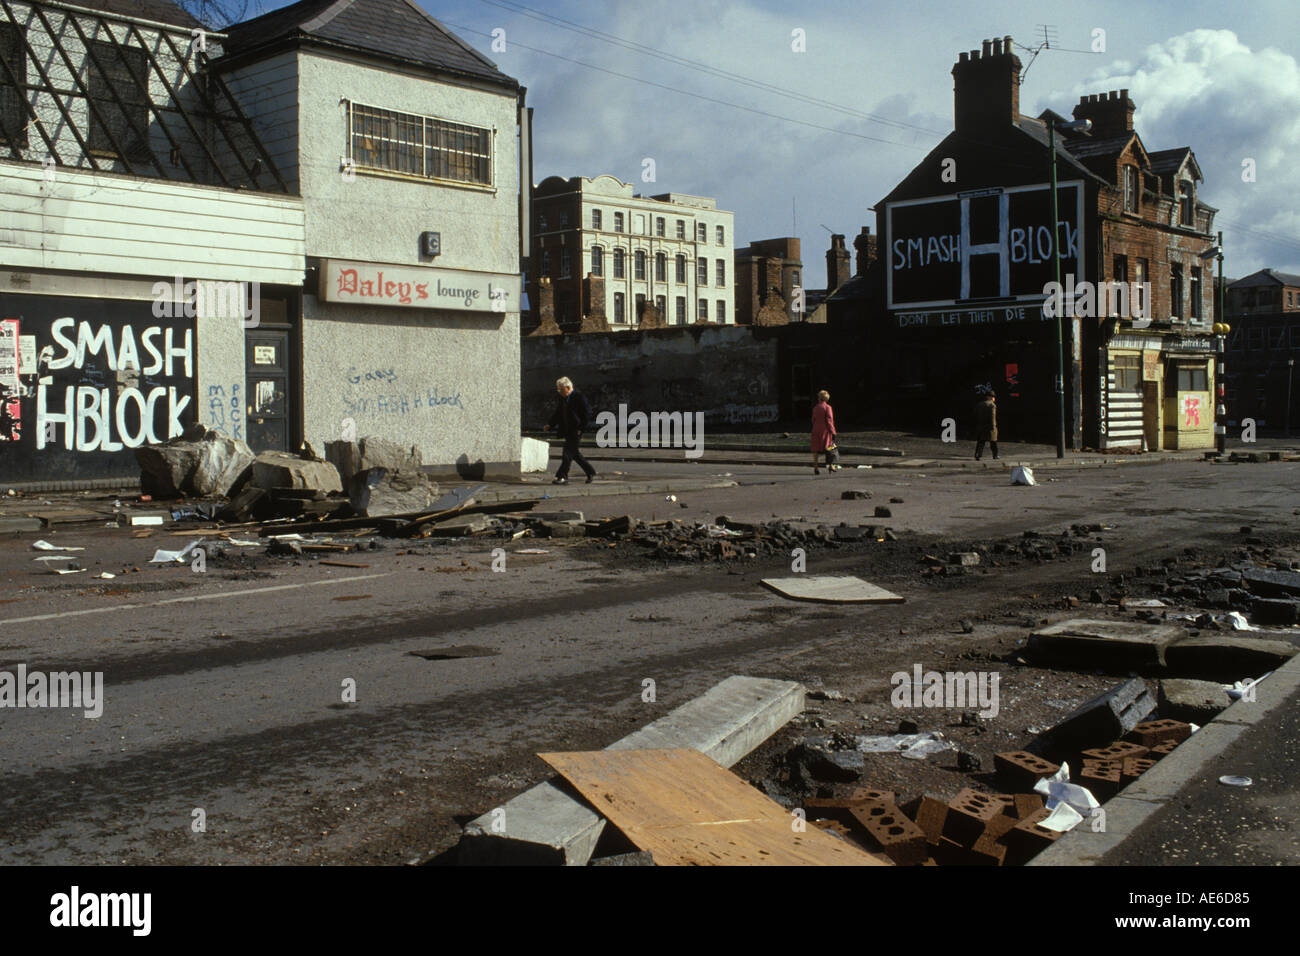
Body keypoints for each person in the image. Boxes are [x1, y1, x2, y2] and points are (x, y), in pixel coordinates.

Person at [543, 376, 596, 484]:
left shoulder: (578, 397)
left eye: (561, 389)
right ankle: (590, 472)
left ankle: (562, 477)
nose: (559, 392)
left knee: (567, 454)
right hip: (567, 430)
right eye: (558, 389)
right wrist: (550, 424)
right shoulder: (563, 398)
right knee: (574, 454)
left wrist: (581, 429)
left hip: (576, 430)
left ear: (568, 387)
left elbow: (586, 414)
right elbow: (558, 414)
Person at [811, 389, 839, 474]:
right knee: (830, 448)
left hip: (816, 430)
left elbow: (813, 420)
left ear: (819, 398)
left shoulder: (815, 408)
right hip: (825, 431)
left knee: (815, 449)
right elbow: (829, 421)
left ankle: (816, 467)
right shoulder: (828, 407)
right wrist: (833, 431)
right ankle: (831, 465)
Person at [975, 388, 999, 461]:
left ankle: (978, 454)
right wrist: (993, 426)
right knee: (993, 442)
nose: (993, 398)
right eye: (992, 396)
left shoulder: (980, 404)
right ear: (990, 397)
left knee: (981, 442)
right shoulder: (992, 405)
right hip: (989, 426)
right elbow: (992, 416)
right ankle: (995, 455)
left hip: (981, 425)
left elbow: (975, 414)